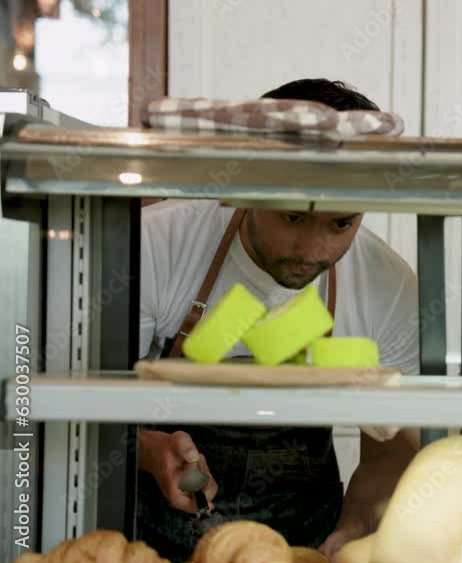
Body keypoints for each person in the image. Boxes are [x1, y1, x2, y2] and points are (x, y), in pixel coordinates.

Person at [137, 79, 418, 562]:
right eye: (293, 218)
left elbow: (394, 448)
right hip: (159, 544)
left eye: (341, 224)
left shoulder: (387, 286)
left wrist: (357, 523)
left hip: (307, 543)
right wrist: (147, 447)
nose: (313, 251)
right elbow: (84, 409)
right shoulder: (157, 244)